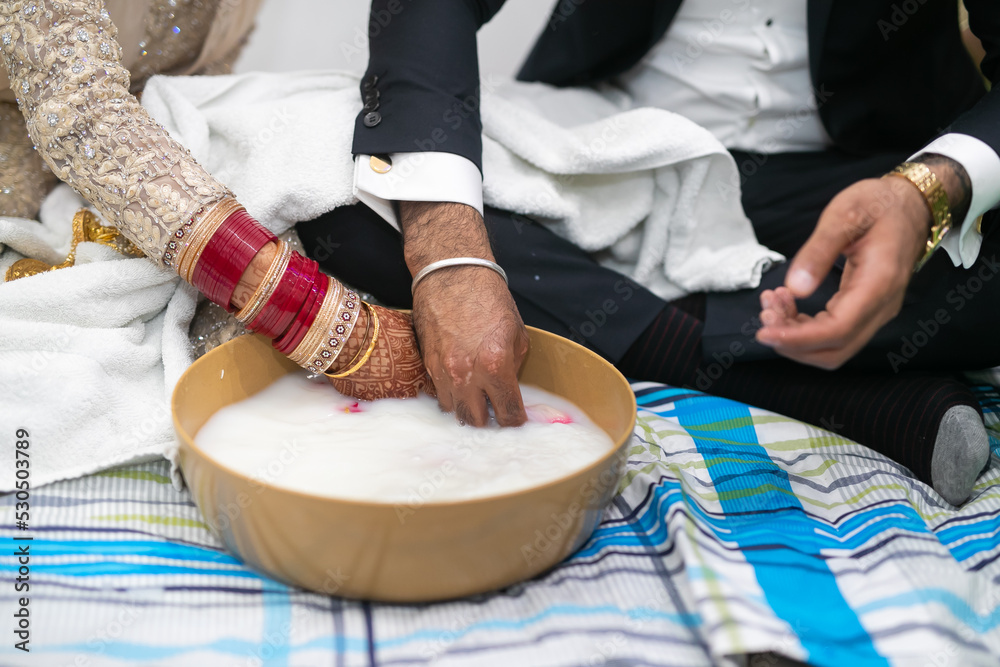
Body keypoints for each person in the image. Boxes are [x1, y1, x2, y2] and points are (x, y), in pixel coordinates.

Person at [294, 0, 1000, 504]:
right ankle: (801, 382)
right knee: (334, 189)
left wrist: (928, 193)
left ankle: (615, 305)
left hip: (866, 176)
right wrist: (451, 251)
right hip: (612, 151)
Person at [0, 0, 434, 401]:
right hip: (36, 157)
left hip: (169, 141)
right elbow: (80, 117)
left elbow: (201, 65)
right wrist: (327, 327)